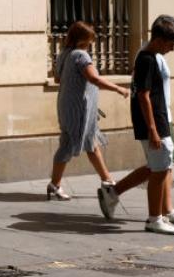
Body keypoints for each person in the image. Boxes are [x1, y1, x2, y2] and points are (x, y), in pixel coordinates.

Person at [98, 15, 174, 234]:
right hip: (154, 124)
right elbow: (143, 95)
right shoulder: (147, 59)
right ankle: (154, 219)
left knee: (160, 167)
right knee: (160, 169)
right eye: (171, 44)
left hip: (159, 121)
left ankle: (158, 214)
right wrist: (152, 130)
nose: (172, 49)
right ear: (160, 40)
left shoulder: (151, 57)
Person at [46, 21, 129, 199]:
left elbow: (59, 79)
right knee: (73, 144)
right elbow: (95, 79)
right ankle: (57, 185)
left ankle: (106, 180)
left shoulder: (64, 54)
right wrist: (118, 88)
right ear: (83, 39)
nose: (91, 43)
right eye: (90, 39)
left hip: (67, 105)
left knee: (85, 142)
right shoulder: (81, 56)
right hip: (78, 108)